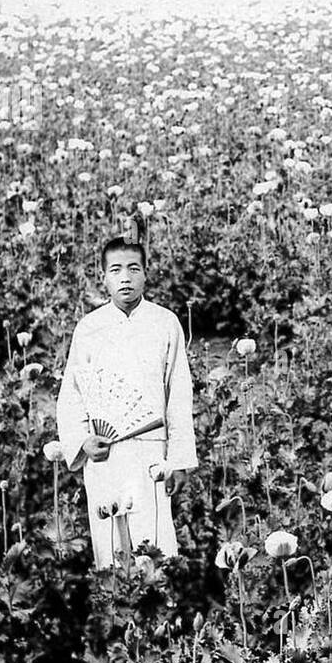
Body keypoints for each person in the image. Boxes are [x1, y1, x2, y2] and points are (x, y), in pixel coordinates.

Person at [56, 235, 196, 568]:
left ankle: (161, 615)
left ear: (146, 274)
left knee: (157, 547)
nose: (125, 277)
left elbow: (178, 392)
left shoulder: (165, 323)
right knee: (111, 551)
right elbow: (71, 396)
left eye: (134, 269)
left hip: (151, 453)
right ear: (103, 277)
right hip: (106, 453)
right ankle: (116, 613)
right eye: (115, 269)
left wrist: (178, 459)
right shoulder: (89, 328)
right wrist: (83, 441)